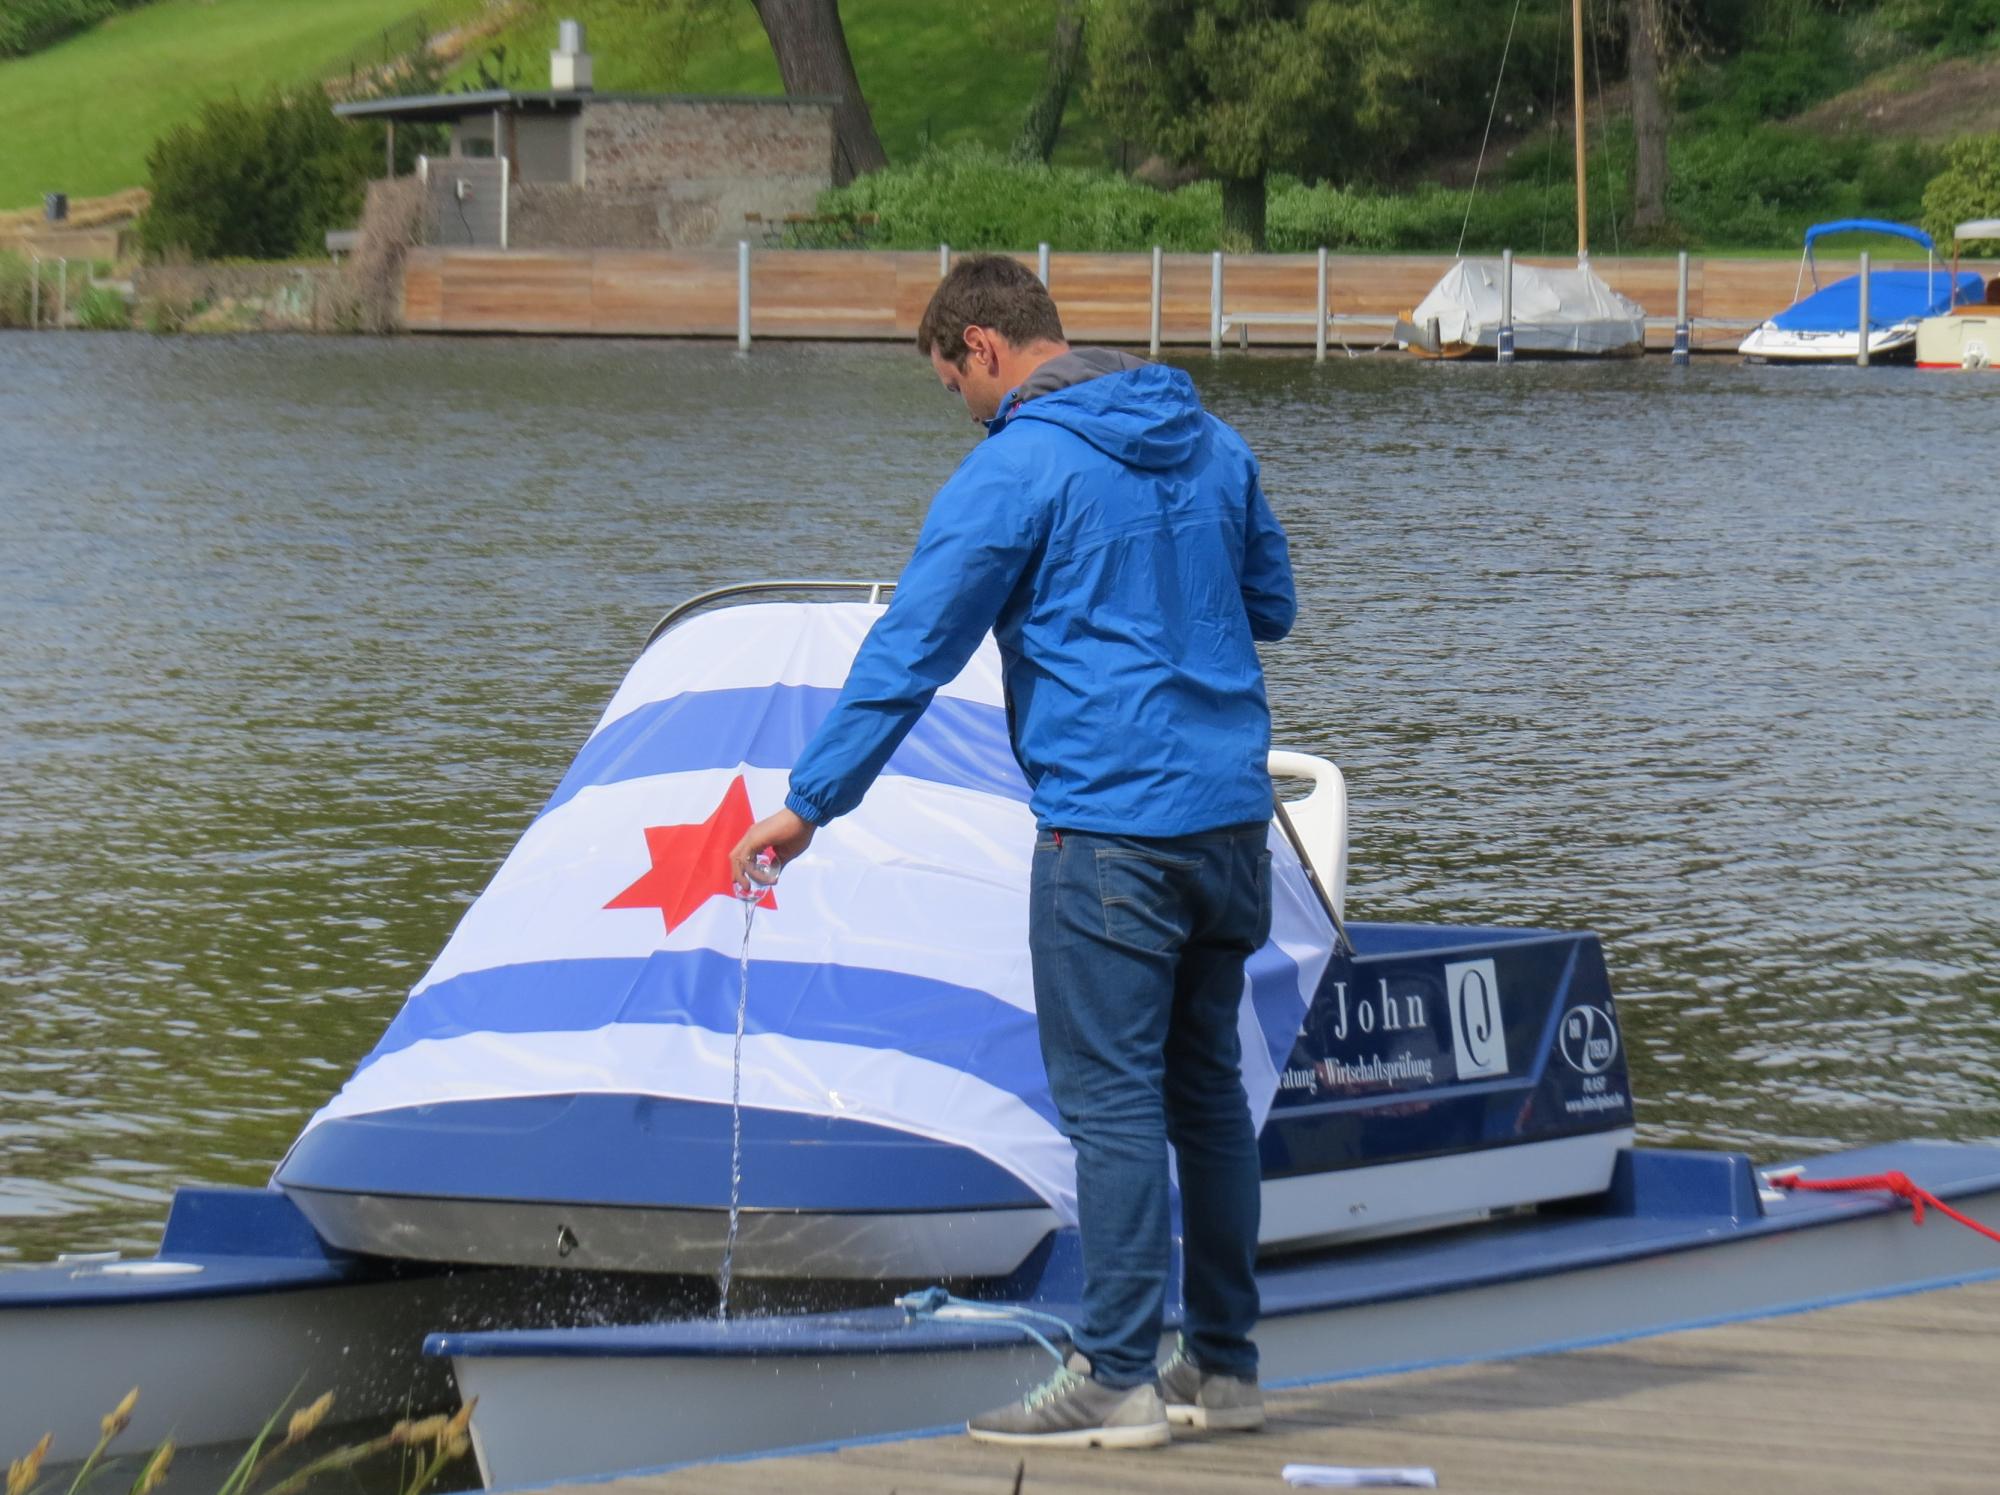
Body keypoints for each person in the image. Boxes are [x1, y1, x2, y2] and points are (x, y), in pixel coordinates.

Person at [729, 253, 1296, 1449]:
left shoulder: (1015, 468)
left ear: (980, 349)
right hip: (1229, 824)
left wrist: (808, 803)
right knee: (1205, 1096)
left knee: (1112, 1110)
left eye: (952, 386)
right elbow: (1271, 603)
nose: (963, 408)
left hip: (1110, 837)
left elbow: (910, 651)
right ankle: (1225, 1368)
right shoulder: (1211, 442)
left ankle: (1115, 1377)